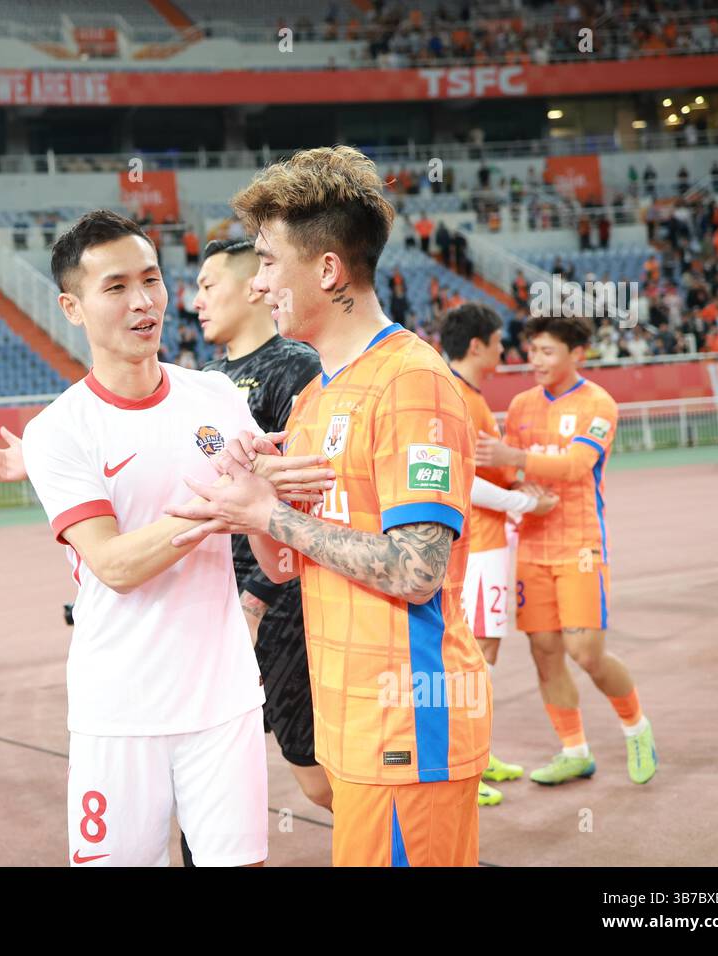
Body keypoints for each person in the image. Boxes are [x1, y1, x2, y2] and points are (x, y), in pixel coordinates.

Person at [0, 210, 331, 867]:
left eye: (151, 280)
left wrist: (274, 501)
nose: (143, 302)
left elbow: (273, 561)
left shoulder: (217, 394)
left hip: (222, 699)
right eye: (115, 287)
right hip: (120, 712)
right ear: (72, 307)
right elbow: (113, 563)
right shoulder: (60, 430)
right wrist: (225, 501)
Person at [169, 146, 491, 867]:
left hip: (412, 722)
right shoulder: (314, 398)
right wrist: (249, 492)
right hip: (352, 725)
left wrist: (270, 515)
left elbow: (416, 569)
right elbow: (288, 564)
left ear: (327, 270)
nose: (258, 286)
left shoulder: (411, 380)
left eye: (269, 262)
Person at [189, 238, 328, 859]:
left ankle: (396, 837)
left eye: (207, 285)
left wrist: (257, 602)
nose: (195, 302)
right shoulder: (202, 384)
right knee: (202, 769)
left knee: (317, 776)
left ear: (253, 287)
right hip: (211, 606)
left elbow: (301, 502)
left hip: (278, 606)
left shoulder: (295, 366)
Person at [476, 314, 656, 786]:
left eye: (547, 351)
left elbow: (577, 464)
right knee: (545, 651)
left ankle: (636, 727)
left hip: (580, 544)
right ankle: (574, 750)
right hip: (532, 546)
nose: (535, 359)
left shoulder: (599, 403)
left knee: (586, 652)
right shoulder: (520, 404)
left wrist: (512, 460)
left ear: (577, 354)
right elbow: (509, 470)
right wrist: (517, 481)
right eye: (532, 350)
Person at [442, 304, 559, 807]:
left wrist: (516, 482)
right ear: (477, 346)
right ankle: (461, 765)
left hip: (485, 541)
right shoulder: (458, 398)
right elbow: (461, 481)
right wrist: (522, 502)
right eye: (497, 342)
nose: (504, 351)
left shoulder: (466, 394)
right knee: (476, 654)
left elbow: (485, 470)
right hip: (479, 544)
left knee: (480, 652)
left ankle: (477, 756)